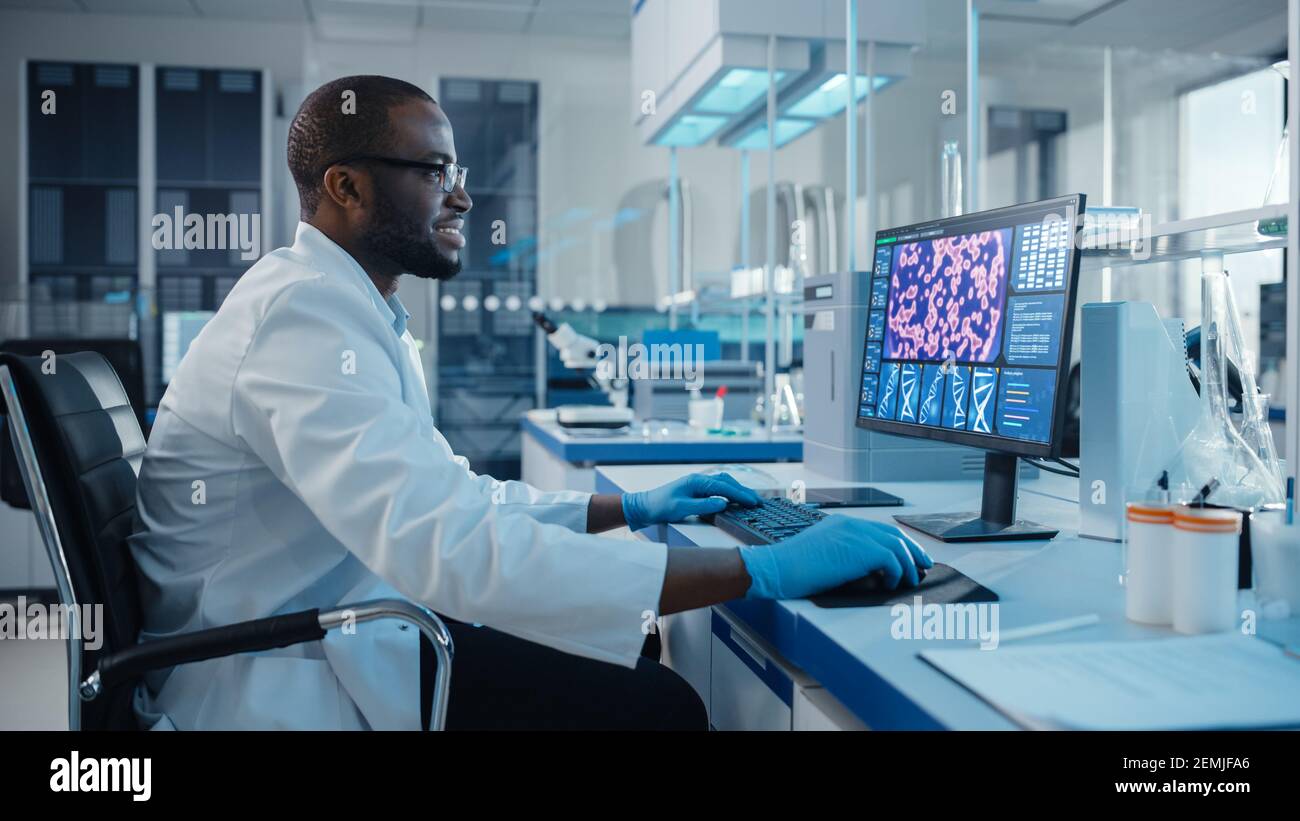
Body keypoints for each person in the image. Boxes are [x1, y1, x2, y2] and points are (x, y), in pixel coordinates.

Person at [128, 75, 931, 731]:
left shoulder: (346, 308)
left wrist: (625, 507)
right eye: (435, 171)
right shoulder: (300, 318)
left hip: (354, 630)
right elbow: (449, 546)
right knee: (660, 710)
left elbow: (456, 500)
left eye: (458, 173)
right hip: (272, 678)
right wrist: (757, 568)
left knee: (633, 666)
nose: (463, 198)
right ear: (346, 186)